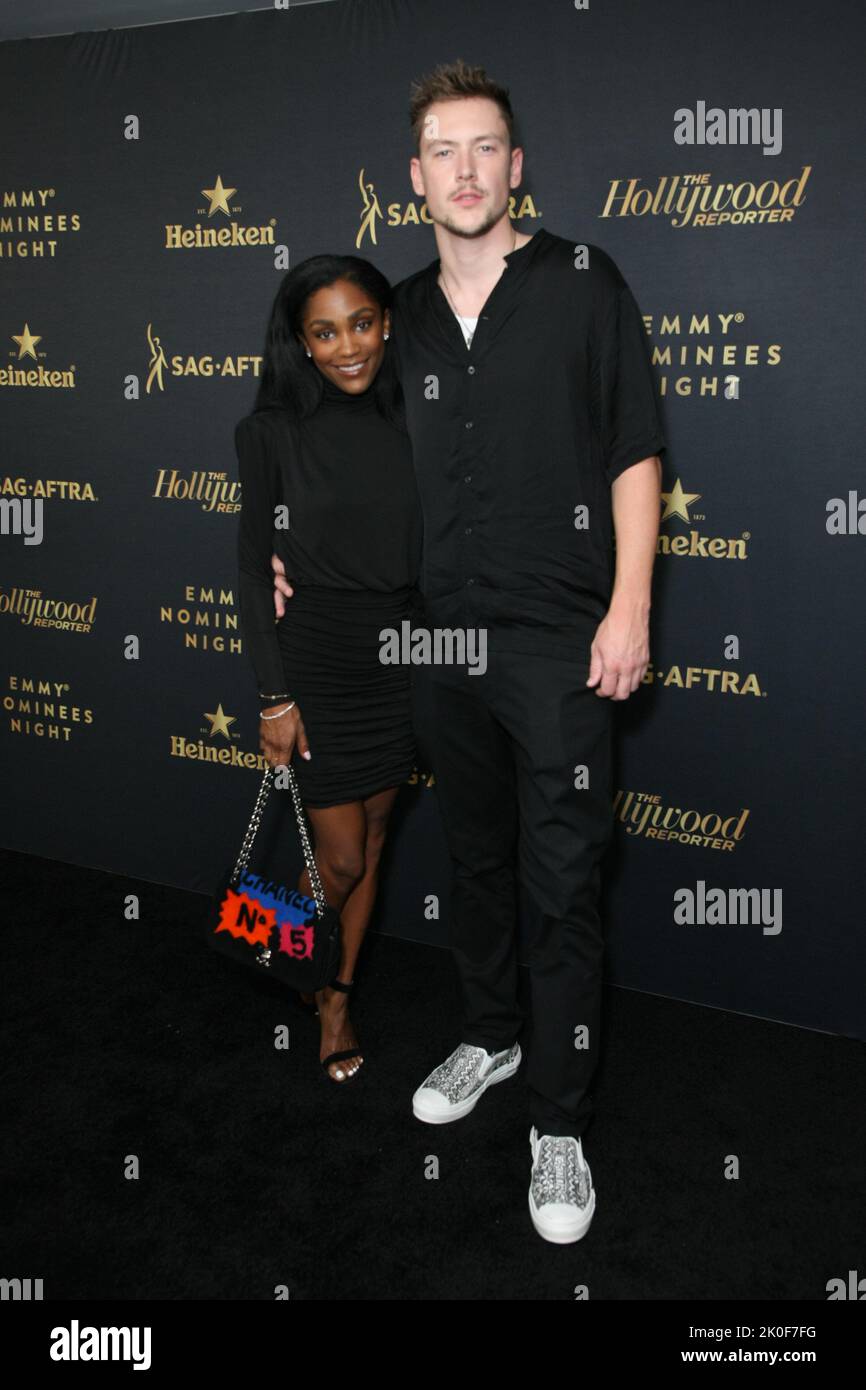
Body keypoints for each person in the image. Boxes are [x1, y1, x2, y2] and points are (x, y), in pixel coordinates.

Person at [271, 60, 666, 1243]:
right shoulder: (394, 314)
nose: (464, 169)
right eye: (442, 150)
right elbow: (334, 457)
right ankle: (490, 1037)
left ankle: (558, 1122)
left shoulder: (585, 283)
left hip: (557, 637)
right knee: (477, 860)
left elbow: (633, 448)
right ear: (414, 175)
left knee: (563, 885)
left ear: (514, 163)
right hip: (435, 634)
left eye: (484, 146)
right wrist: (285, 553)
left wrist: (629, 605)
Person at [235, 255, 422, 1083]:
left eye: (362, 323)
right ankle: (283, 946)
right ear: (301, 343)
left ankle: (336, 997)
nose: (348, 346)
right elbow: (253, 569)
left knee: (375, 839)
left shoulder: (416, 415)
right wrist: (274, 697)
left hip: (404, 655)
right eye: (325, 331)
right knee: (339, 859)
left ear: (387, 323)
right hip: (315, 657)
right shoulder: (270, 432)